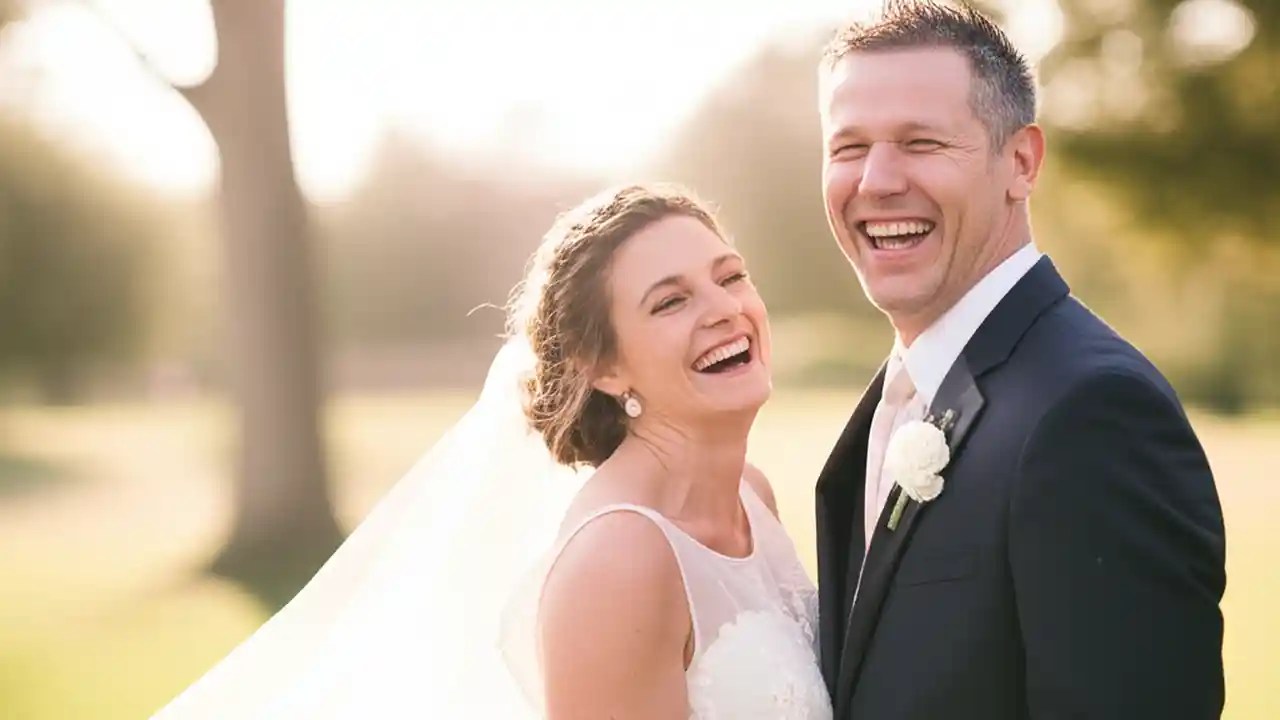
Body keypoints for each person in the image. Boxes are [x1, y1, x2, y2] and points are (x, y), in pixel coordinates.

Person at [150, 184, 832, 719]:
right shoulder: (622, 559)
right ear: (605, 368)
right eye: (670, 302)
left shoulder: (752, 492)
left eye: (730, 276)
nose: (724, 309)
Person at [812, 2, 1227, 719]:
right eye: (848, 148)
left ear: (1022, 162)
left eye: (921, 142)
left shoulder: (1093, 414)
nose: (875, 181)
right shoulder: (903, 393)